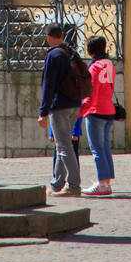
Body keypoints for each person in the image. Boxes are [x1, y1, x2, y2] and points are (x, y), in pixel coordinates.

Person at [37, 23, 81, 196]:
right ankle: (57, 184)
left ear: (48, 37)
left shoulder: (53, 55)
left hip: (60, 106)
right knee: (63, 145)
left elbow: (48, 85)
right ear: (62, 35)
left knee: (63, 147)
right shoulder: (71, 52)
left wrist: (43, 112)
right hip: (75, 104)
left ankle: (74, 186)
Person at [80, 34, 116, 197]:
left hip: (96, 111)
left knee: (97, 149)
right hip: (109, 110)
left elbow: (90, 93)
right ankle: (106, 181)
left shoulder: (94, 67)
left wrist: (78, 113)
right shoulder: (109, 64)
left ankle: (102, 183)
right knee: (105, 148)